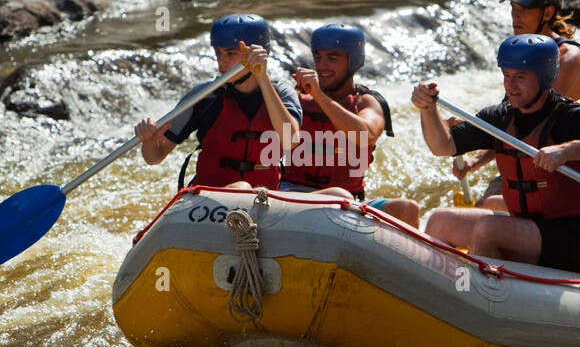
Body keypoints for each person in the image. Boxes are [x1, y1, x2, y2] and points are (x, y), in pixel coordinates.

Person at [413, 34, 580, 272]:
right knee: (440, 221)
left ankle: (468, 295)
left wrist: (568, 150)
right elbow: (442, 146)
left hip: (575, 241)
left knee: (489, 229)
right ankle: (437, 295)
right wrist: (427, 109)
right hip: (527, 228)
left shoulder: (568, 116)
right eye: (506, 75)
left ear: (544, 78)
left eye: (520, 77)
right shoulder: (500, 117)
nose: (510, 85)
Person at [455, 0, 580, 207]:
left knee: (485, 212)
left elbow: (534, 122)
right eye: (513, 9)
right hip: (526, 165)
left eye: (525, 10)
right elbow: (514, 123)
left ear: (547, 12)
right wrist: (477, 159)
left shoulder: (568, 58)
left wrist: (474, 129)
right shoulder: (523, 55)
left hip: (561, 172)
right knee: (477, 215)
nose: (516, 17)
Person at [136, 13, 301, 189]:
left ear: (257, 54)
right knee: (241, 188)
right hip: (210, 201)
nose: (221, 61)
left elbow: (291, 140)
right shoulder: (204, 96)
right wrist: (148, 141)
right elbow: (154, 157)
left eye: (230, 53)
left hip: (264, 200)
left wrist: (263, 78)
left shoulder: (282, 93)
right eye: (218, 52)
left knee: (335, 193)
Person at [281, 24, 421, 227]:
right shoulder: (295, 97)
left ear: (352, 61)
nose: (322, 66)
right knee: (338, 196)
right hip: (290, 194)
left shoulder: (367, 102)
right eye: (318, 57)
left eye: (333, 58)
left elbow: (367, 134)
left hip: (349, 202)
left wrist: (319, 96)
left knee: (408, 209)